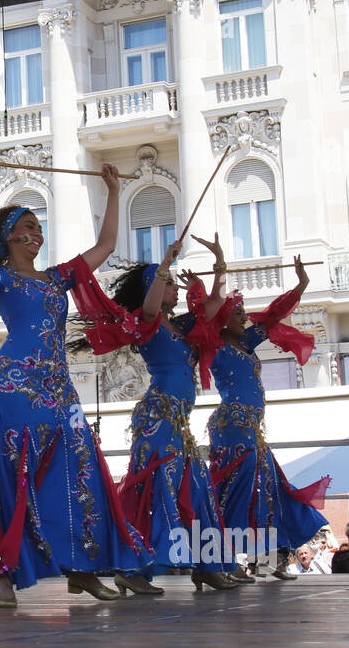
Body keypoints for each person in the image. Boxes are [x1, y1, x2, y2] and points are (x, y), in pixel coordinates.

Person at [0, 165, 154, 608]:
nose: (36, 233)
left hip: (58, 388)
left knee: (78, 473)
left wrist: (115, 189)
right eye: (27, 227)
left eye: (39, 226)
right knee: (12, 479)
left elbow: (107, 245)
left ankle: (83, 568)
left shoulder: (58, 277)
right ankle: (4, 574)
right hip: (14, 387)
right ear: (9, 238)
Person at [73, 239, 237, 591]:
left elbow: (217, 302)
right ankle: (133, 572)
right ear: (156, 288)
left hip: (178, 422)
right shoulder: (147, 324)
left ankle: (206, 565)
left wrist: (220, 262)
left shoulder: (182, 325)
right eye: (169, 284)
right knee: (154, 488)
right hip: (158, 418)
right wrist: (165, 259)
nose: (176, 289)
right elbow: (149, 310)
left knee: (196, 488)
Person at [188, 250, 329, 581]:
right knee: (232, 490)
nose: (244, 318)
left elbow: (272, 315)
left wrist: (301, 285)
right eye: (236, 313)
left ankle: (265, 561)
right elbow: (202, 317)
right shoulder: (215, 346)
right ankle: (215, 562)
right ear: (223, 319)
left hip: (250, 428)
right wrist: (208, 278)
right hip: (233, 427)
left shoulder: (246, 344)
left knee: (266, 487)